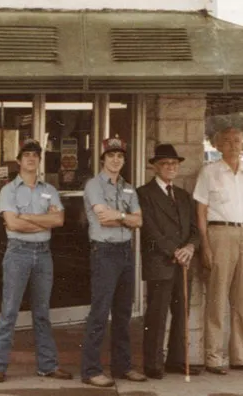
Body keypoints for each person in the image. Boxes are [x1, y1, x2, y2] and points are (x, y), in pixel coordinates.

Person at [0, 139, 73, 384]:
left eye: (35, 155)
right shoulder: (9, 190)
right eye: (26, 155)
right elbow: (13, 224)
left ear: (39, 159)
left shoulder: (50, 189)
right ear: (19, 160)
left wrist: (27, 216)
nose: (31, 159)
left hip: (43, 253)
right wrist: (42, 219)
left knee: (42, 312)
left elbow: (59, 220)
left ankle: (47, 366)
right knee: (9, 310)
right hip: (18, 252)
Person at [80, 137, 147, 387]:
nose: (116, 159)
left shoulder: (128, 187)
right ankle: (90, 370)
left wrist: (119, 215)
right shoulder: (94, 185)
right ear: (103, 159)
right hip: (105, 251)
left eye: (120, 156)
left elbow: (139, 221)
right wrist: (125, 217)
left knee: (123, 312)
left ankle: (122, 366)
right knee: (100, 312)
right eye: (111, 155)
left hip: (125, 251)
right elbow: (103, 218)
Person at [137, 143, 203, 379]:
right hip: (160, 262)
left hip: (183, 262)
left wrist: (189, 247)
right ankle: (153, 363)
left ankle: (177, 359)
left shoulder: (184, 196)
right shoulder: (144, 194)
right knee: (157, 314)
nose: (170, 167)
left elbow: (195, 230)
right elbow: (150, 231)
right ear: (155, 167)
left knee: (181, 312)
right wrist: (173, 251)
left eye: (174, 164)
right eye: (165, 164)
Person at [194, 127, 243, 374]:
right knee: (217, 297)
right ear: (218, 145)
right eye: (227, 141)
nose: (233, 145)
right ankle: (214, 357)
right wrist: (205, 244)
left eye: (237, 141)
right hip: (220, 234)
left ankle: (242, 355)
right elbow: (201, 211)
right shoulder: (209, 172)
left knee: (242, 298)